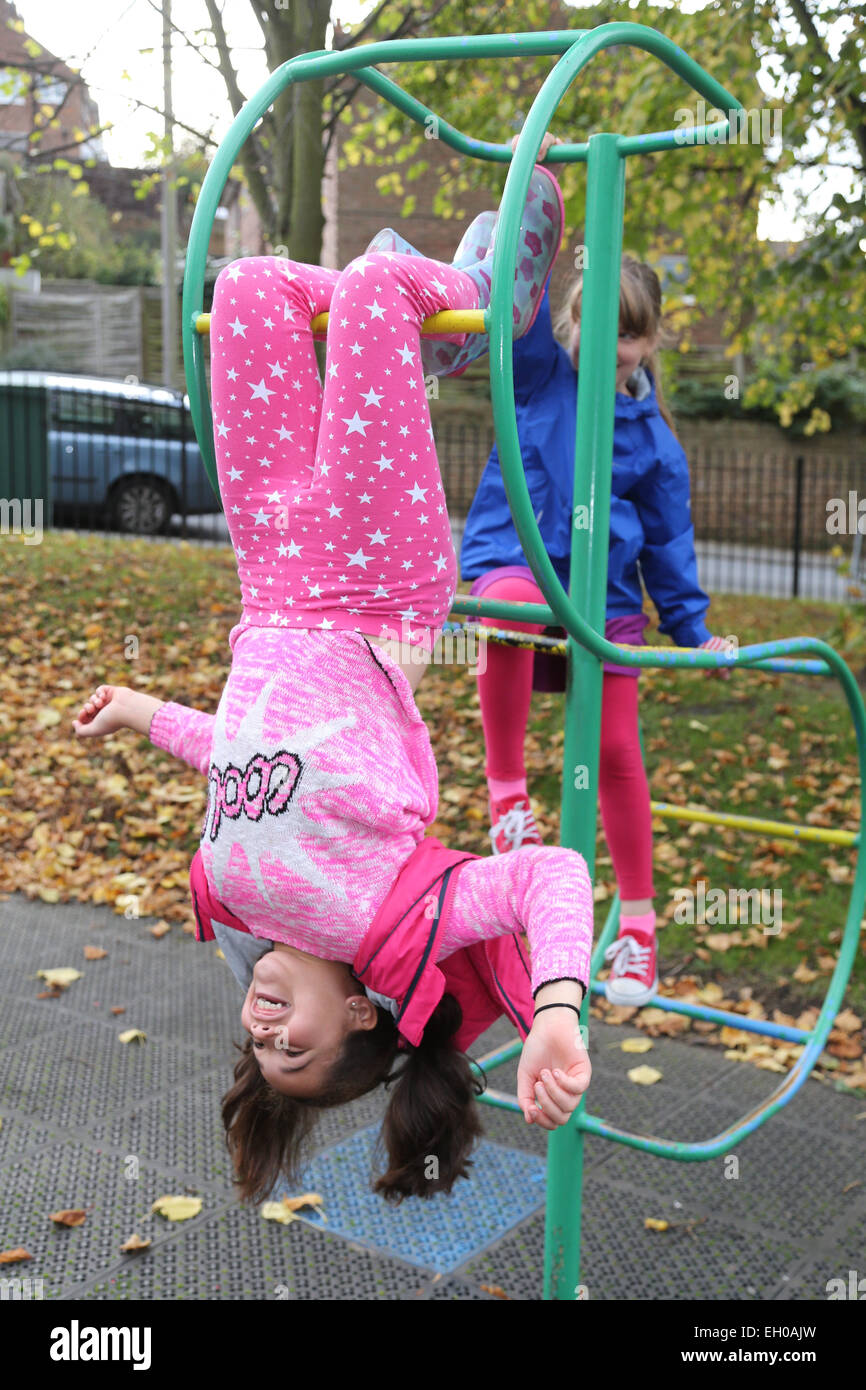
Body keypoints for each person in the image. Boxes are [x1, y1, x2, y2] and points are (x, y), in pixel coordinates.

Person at [73, 164, 593, 1208]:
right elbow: (550, 877)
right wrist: (555, 1005)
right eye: (294, 1052)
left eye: (256, 1049)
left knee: (250, 286)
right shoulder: (397, 924)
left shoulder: (243, 899)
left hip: (267, 575)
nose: (264, 1030)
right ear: (362, 1018)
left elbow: (243, 751)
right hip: (368, 585)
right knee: (367, 288)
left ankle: (422, 334)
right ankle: (477, 310)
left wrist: (139, 713)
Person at [460, 134, 729, 1011]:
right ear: (571, 324)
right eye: (598, 332)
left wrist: (691, 633)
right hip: (519, 563)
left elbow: (668, 547)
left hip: (606, 604)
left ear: (651, 342)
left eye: (633, 339)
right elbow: (518, 288)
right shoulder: (540, 372)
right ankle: (507, 798)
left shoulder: (652, 442)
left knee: (614, 749)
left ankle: (639, 934)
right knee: (509, 611)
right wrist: (524, 181)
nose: (613, 352)